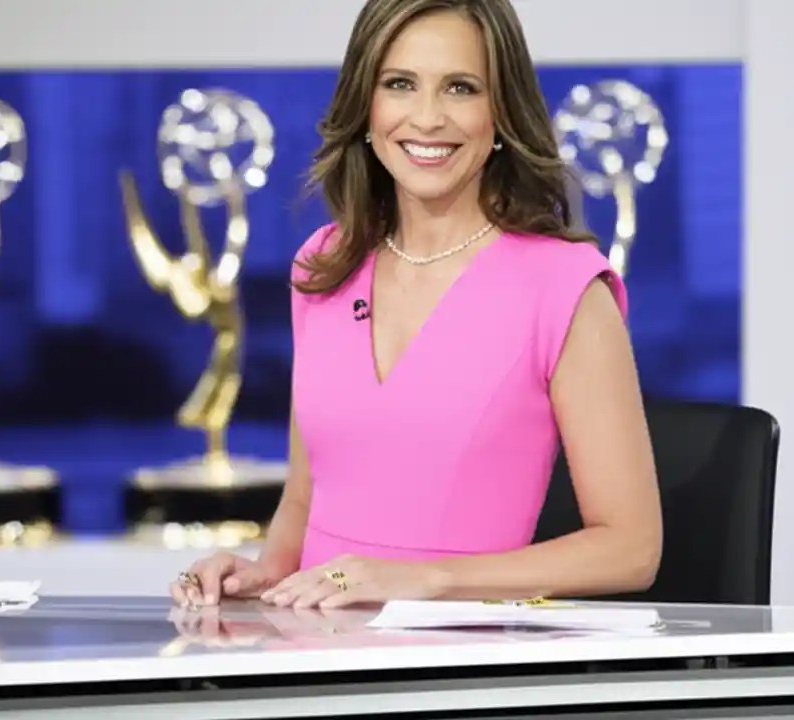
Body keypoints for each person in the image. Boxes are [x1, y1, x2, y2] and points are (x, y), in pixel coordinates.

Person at [170, 0, 661, 610]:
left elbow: (631, 549)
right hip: (308, 662)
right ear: (367, 108)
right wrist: (264, 574)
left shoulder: (565, 289)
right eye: (400, 84)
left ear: (501, 112)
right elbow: (305, 499)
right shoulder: (323, 265)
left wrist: (423, 579)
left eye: (460, 87)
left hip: (454, 668)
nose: (427, 118)